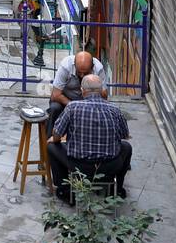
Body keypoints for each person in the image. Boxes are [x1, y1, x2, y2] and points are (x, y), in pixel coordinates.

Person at [47, 74, 132, 202]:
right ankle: (117, 189)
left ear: (82, 91)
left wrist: (56, 138)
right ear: (101, 90)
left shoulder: (72, 107)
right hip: (109, 166)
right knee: (127, 147)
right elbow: (124, 135)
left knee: (52, 146)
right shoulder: (115, 110)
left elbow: (57, 135)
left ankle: (65, 190)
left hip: (79, 166)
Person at [48, 50, 107, 132]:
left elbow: (104, 95)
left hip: (88, 104)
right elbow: (56, 95)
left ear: (92, 67)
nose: (82, 76)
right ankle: (48, 140)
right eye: (79, 72)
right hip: (64, 100)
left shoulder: (98, 68)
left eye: (86, 73)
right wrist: (76, 107)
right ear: (74, 65)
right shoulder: (66, 65)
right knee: (54, 108)